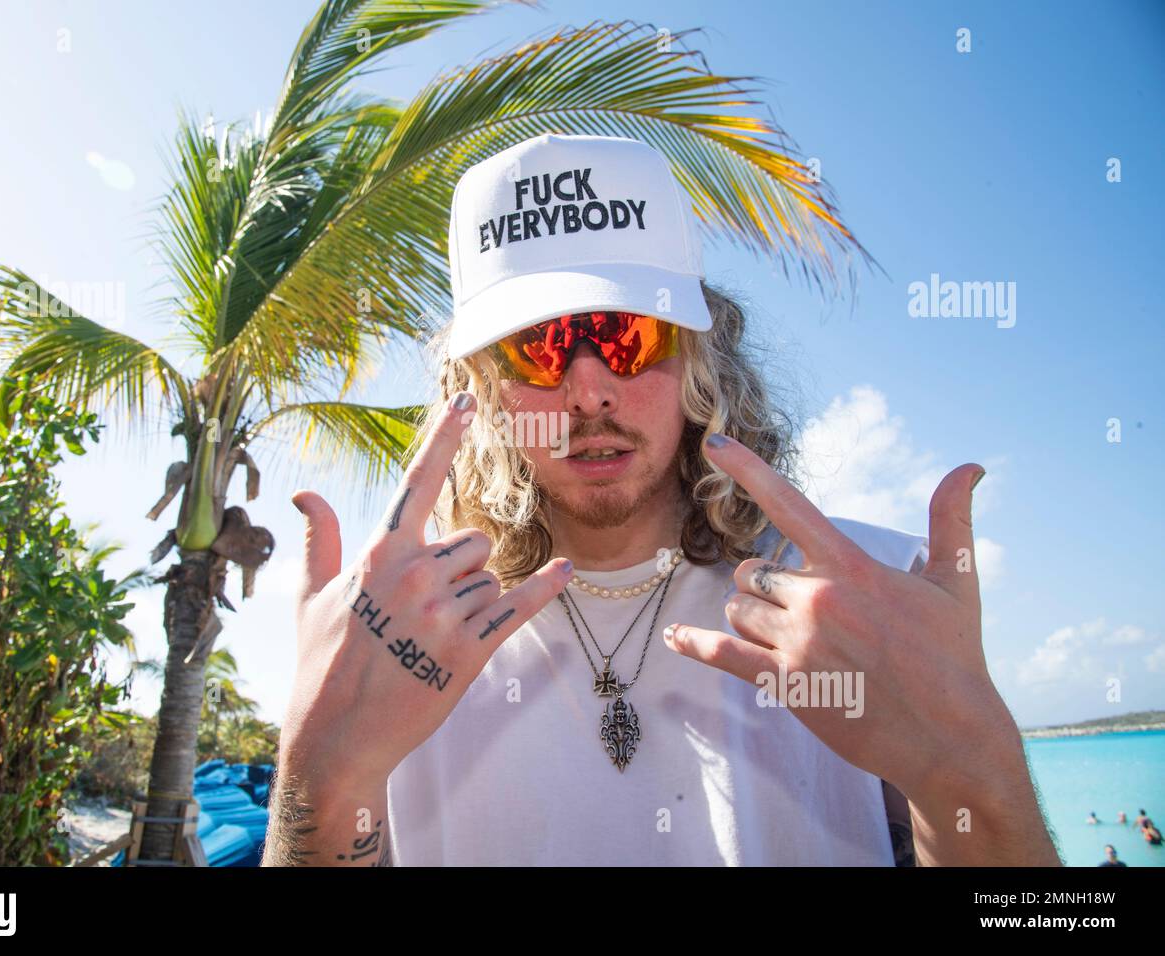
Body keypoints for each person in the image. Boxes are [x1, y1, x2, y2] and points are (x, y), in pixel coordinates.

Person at [263, 134, 1060, 867]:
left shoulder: (867, 598)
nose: (587, 389)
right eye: (536, 349)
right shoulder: (402, 638)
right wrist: (315, 774)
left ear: (697, 358)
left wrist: (973, 771)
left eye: (625, 335)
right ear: (484, 388)